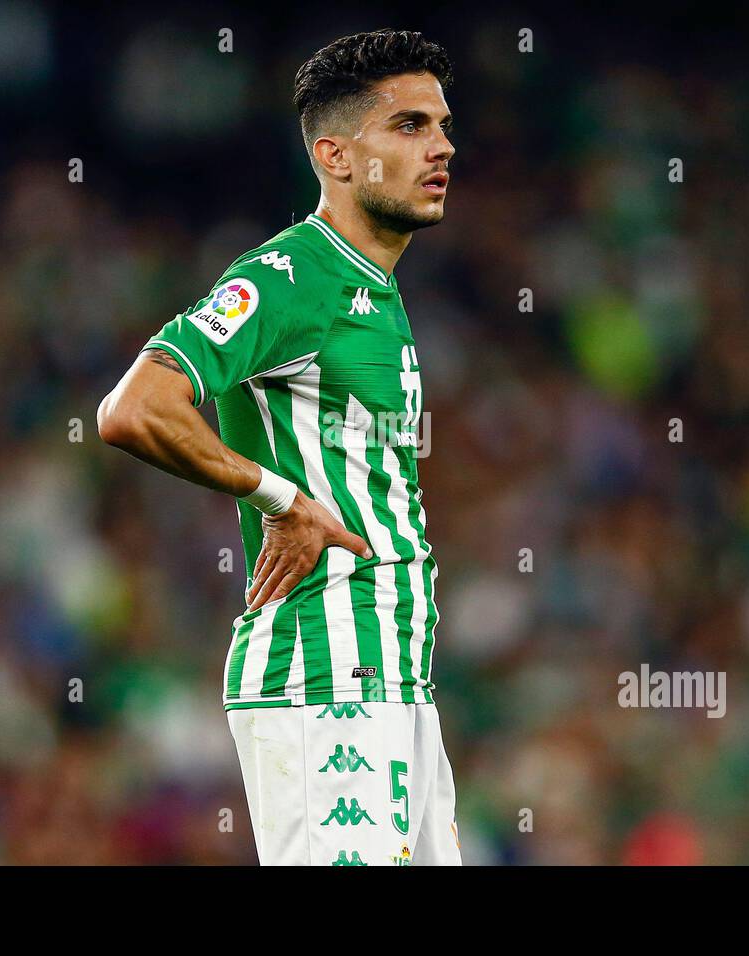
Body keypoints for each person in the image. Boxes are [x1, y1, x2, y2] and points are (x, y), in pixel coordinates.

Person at [98, 29, 460, 866]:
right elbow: (134, 408)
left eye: (442, 125)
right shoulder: (289, 277)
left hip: (395, 675)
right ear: (335, 155)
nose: (442, 145)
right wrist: (278, 498)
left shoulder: (375, 289)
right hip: (325, 674)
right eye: (408, 126)